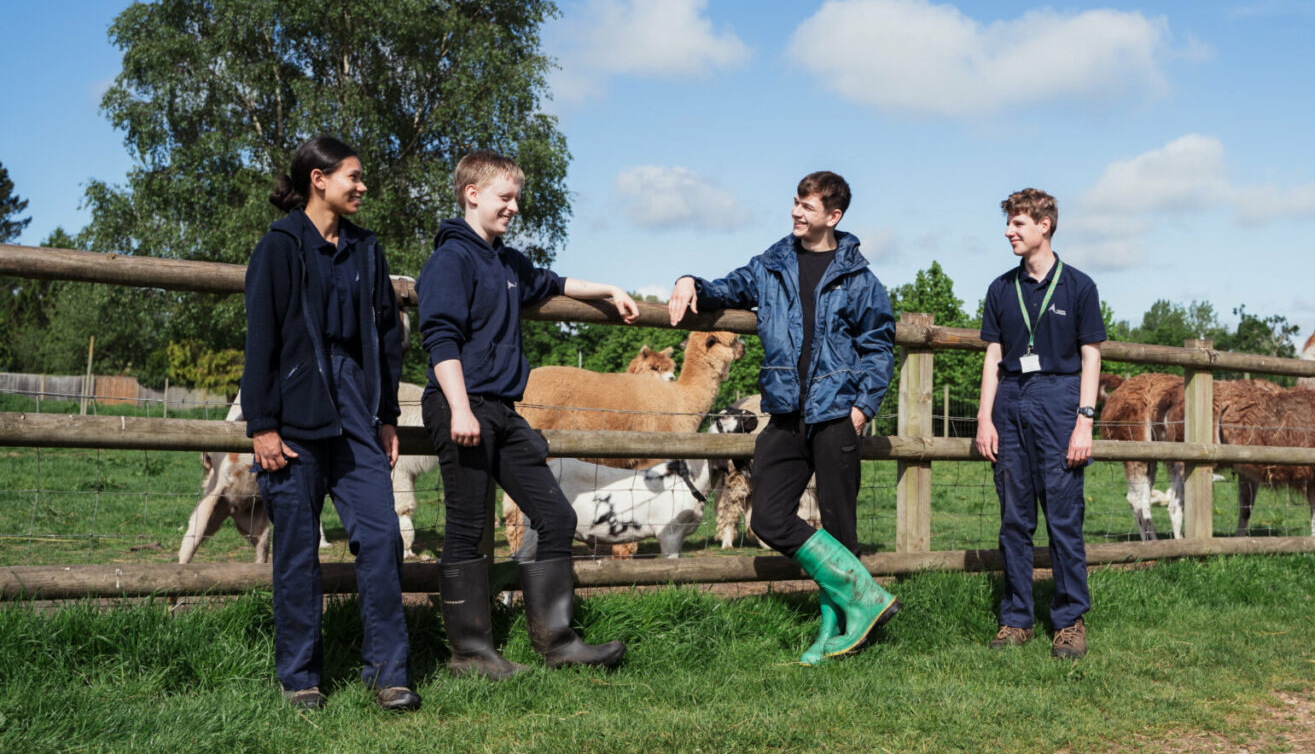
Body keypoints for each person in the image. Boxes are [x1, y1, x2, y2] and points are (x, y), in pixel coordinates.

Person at [417, 149, 638, 677]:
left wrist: (609, 289)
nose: (514, 206)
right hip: (461, 405)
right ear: (472, 194)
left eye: (516, 197)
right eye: (504, 196)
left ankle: (557, 642)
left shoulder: (506, 261)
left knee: (557, 516)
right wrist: (460, 408)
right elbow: (440, 338)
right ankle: (470, 654)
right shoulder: (452, 259)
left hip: (504, 411)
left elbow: (557, 284)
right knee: (469, 527)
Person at [668, 171, 897, 664]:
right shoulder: (770, 265)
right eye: (796, 202)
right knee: (769, 517)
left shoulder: (860, 279)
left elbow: (878, 347)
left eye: (808, 207)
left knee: (839, 527)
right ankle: (866, 597)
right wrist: (689, 281)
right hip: (786, 414)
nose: (797, 212)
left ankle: (834, 632)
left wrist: (862, 407)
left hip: (837, 415)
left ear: (833, 217)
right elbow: (725, 289)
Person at [242, 136, 418, 711]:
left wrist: (387, 415)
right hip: (293, 416)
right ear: (319, 179)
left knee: (383, 536)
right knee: (295, 550)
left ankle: (388, 673)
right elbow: (262, 339)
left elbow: (387, 339)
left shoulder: (367, 250)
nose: (362, 186)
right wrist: (262, 424)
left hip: (358, 412)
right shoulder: (279, 246)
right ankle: (300, 679)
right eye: (354, 176)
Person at [974, 188, 1105, 659]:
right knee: (1014, 518)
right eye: (1008, 223)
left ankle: (1070, 620)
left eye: (1018, 224)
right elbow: (993, 356)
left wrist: (1084, 422)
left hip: (1060, 398)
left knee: (1064, 517)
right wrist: (985, 417)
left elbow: (1091, 358)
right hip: (1010, 401)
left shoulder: (1079, 287)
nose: (1009, 231)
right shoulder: (1000, 289)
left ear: (1044, 225)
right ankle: (1016, 619)